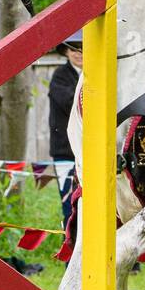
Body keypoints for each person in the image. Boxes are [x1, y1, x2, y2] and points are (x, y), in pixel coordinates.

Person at [47, 32, 81, 237]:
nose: (79, 53)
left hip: (94, 150)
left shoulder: (101, 73)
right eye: (74, 48)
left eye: (83, 48)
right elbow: (71, 103)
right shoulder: (60, 76)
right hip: (66, 152)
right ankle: (71, 257)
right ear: (67, 51)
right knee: (70, 204)